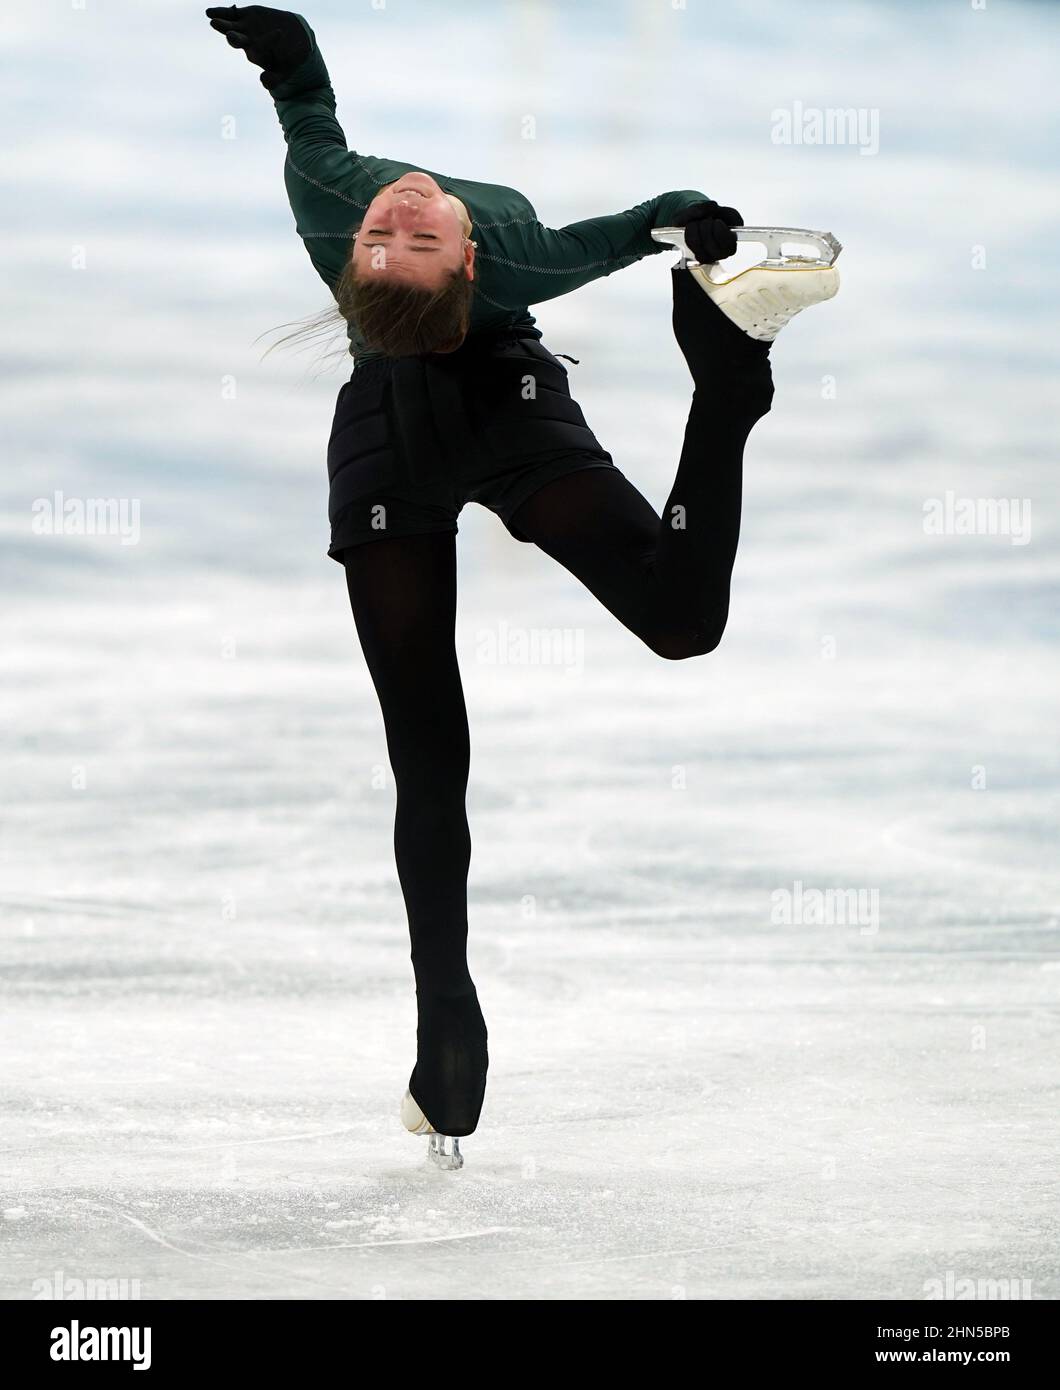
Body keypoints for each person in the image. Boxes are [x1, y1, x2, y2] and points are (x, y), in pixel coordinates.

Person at [205, 6, 835, 1157]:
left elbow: (614, 231)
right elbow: (618, 229)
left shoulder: (363, 201)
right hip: (390, 436)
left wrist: (683, 225)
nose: (393, 219)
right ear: (456, 261)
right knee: (424, 743)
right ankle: (445, 1009)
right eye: (397, 242)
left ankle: (725, 389)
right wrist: (680, 226)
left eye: (393, 238)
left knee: (682, 620)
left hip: (502, 396)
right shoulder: (462, 232)